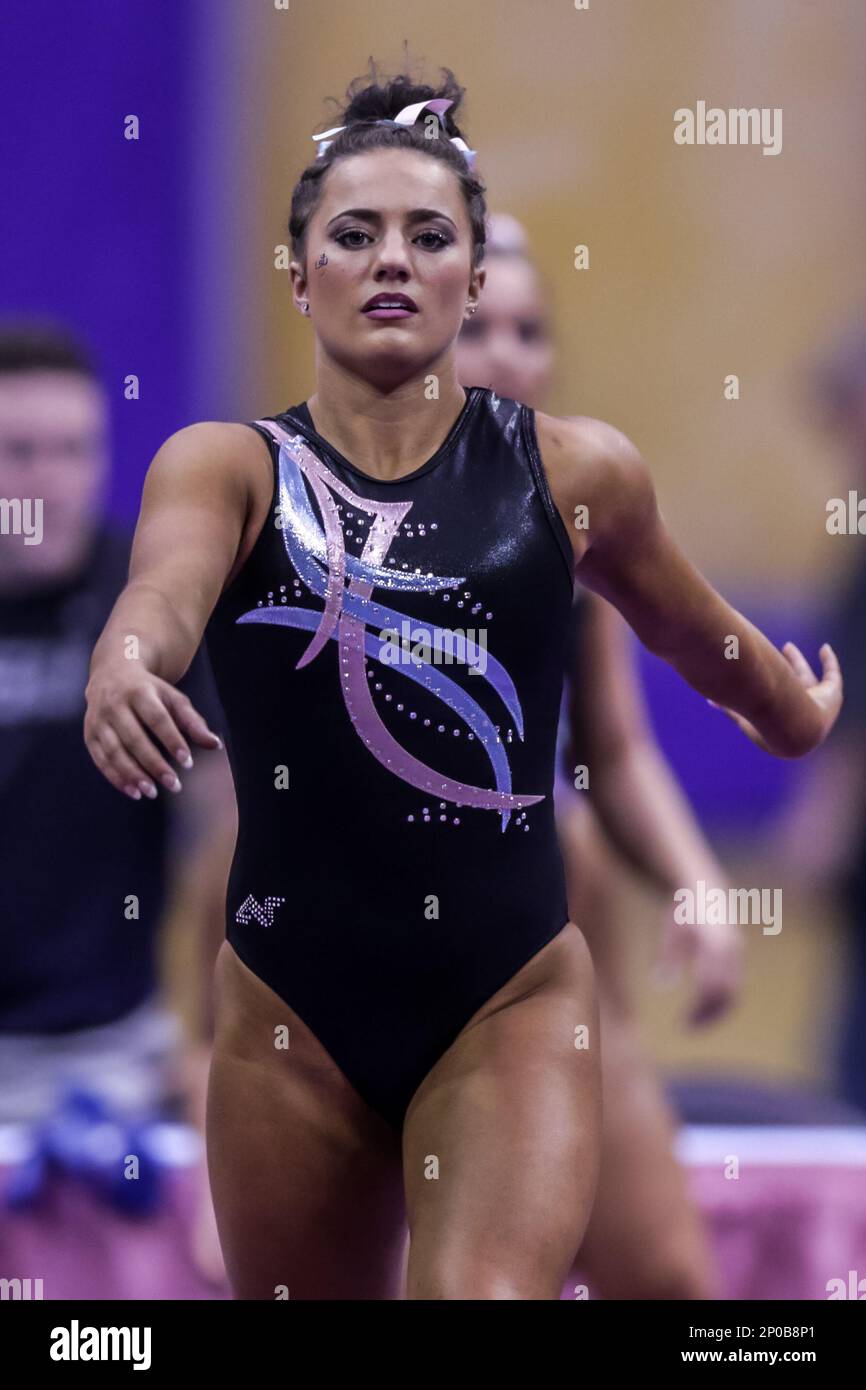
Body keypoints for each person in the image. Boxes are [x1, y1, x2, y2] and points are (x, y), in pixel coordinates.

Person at [83, 66, 842, 1301]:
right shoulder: (225, 468)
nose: (391, 260)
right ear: (298, 275)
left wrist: (786, 709)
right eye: (354, 234)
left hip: (507, 1000)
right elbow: (157, 601)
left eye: (428, 236)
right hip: (290, 1020)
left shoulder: (575, 471)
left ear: (474, 277)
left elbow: (695, 633)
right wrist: (124, 667)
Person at [455, 212, 738, 1299]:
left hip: (560, 939)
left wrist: (697, 886)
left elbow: (612, 754)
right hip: (379, 958)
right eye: (479, 327)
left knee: (667, 1282)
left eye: (530, 330)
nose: (509, 356)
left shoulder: (574, 517)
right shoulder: (328, 515)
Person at [0, 321, 230, 1288]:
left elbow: (233, 833)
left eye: (74, 449)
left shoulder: (151, 611)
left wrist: (215, 1040)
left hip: (123, 1055)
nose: (49, 477)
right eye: (17, 451)